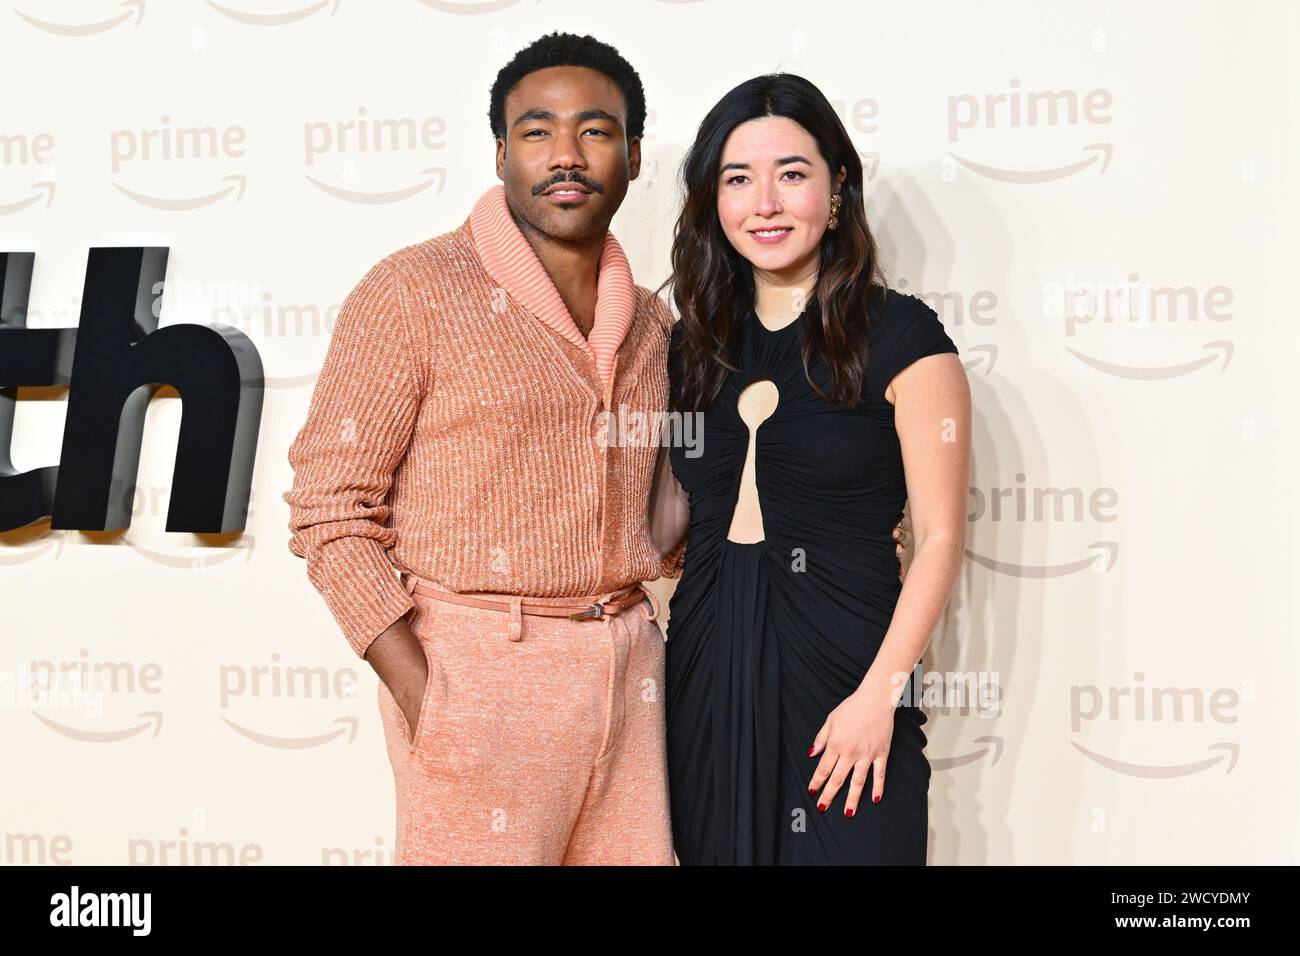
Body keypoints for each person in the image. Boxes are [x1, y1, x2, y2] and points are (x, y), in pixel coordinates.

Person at [282, 32, 682, 865]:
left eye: (595, 130)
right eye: (537, 131)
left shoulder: (653, 323)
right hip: (481, 668)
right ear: (500, 153)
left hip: (632, 673)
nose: (565, 154)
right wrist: (426, 690)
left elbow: (660, 515)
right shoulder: (412, 291)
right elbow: (329, 507)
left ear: (635, 155)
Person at [649, 72, 971, 864]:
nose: (765, 202)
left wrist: (879, 698)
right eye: (737, 179)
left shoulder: (902, 336)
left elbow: (935, 537)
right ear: (711, 203)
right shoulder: (690, 351)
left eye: (792, 174)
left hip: (849, 689)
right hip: (707, 689)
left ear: (837, 192)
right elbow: (660, 530)